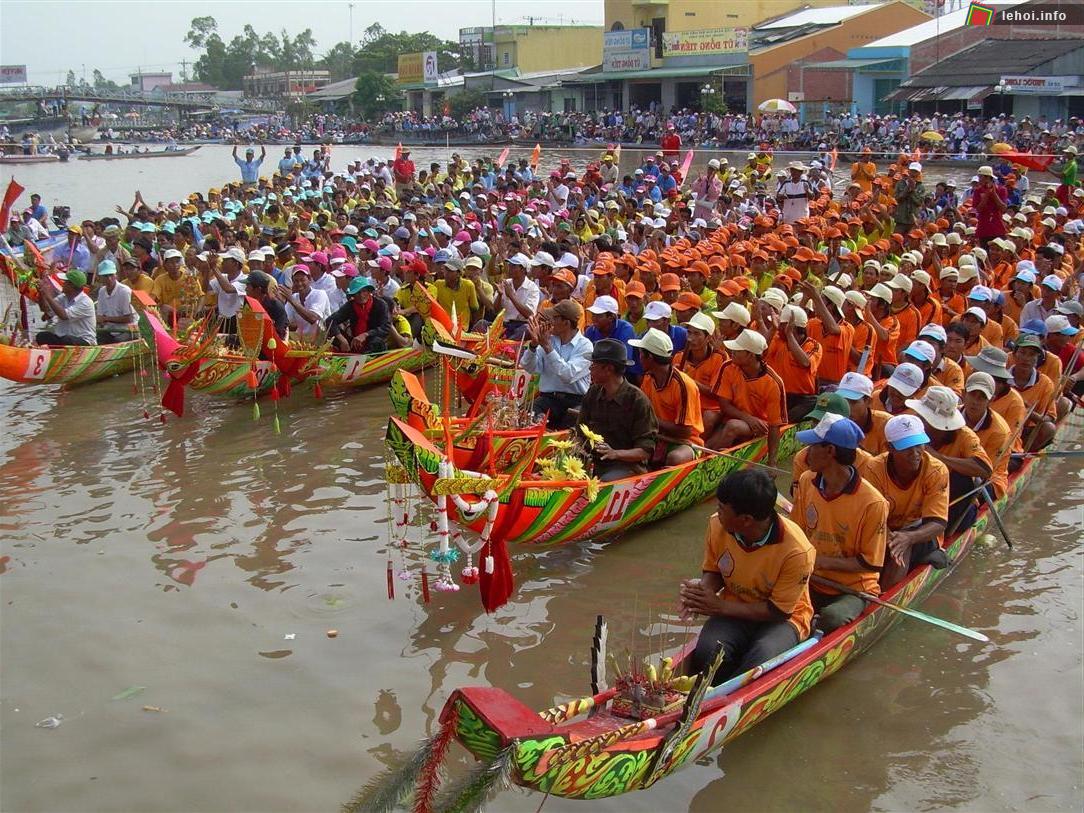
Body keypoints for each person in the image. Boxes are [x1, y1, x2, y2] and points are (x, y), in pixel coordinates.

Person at [679, 469, 816, 685]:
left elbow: (778, 611)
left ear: (746, 520)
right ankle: (714, 688)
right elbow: (714, 571)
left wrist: (719, 607)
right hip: (735, 607)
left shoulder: (797, 551)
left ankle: (726, 694)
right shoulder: (717, 524)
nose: (717, 512)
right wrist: (701, 593)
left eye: (722, 508)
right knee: (707, 652)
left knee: (761, 658)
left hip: (784, 619)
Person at [792, 414, 888, 632]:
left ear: (830, 451)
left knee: (832, 618)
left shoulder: (873, 502)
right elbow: (796, 533)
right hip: (811, 578)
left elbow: (869, 563)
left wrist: (818, 561)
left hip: (852, 588)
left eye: (813, 446)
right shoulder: (807, 481)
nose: (806, 453)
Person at [861, 414, 950, 589]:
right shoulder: (873, 468)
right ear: (890, 448)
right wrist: (891, 537)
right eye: (907, 447)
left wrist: (907, 538)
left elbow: (938, 523)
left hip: (920, 531)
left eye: (919, 445)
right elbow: (871, 517)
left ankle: (885, 596)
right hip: (882, 528)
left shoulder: (936, 471)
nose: (915, 453)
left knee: (901, 549)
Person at [906, 385, 992, 533]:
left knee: (961, 479)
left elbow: (985, 469)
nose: (921, 421)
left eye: (925, 419)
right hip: (914, 493)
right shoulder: (910, 426)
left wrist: (939, 458)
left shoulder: (964, 436)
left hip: (949, 500)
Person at [577, 338, 658, 482]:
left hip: (626, 465)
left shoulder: (638, 401)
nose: (590, 369)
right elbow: (580, 431)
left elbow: (645, 451)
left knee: (605, 483)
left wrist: (615, 453)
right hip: (593, 460)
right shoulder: (593, 392)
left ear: (608, 369)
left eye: (594, 365)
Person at [709, 328, 787, 466]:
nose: (732, 352)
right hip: (735, 417)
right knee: (710, 437)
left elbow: (775, 426)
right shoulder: (728, 367)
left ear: (751, 355)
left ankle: (710, 463)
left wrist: (772, 462)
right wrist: (747, 418)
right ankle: (704, 457)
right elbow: (724, 405)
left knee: (733, 426)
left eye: (737, 350)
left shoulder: (774, 383)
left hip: (759, 426)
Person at [631, 327, 703, 466]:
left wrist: (652, 420)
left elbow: (685, 432)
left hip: (685, 442)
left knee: (675, 458)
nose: (639, 357)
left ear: (650, 357)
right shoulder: (648, 378)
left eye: (641, 353)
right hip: (656, 435)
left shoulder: (683, 385)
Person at [519, 300, 593, 429]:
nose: (550, 322)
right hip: (548, 398)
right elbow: (529, 367)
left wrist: (548, 348)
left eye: (555, 318)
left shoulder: (585, 345)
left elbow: (568, 375)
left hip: (575, 401)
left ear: (566, 323)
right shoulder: (549, 339)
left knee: (569, 431)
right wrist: (533, 345)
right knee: (524, 418)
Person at [325, 276, 389, 352]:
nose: (361, 295)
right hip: (354, 341)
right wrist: (342, 340)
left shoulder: (380, 304)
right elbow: (330, 321)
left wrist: (365, 335)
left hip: (374, 342)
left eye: (364, 291)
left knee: (376, 341)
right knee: (333, 335)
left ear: (369, 292)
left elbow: (385, 327)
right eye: (358, 293)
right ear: (353, 295)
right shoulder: (350, 305)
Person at [35, 269, 97, 346]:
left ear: (72, 285)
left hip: (83, 340)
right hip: (63, 338)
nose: (63, 284)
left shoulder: (86, 302)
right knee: (42, 336)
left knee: (67, 340)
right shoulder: (63, 297)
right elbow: (45, 310)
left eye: (65, 282)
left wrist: (47, 295)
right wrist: (42, 294)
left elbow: (64, 316)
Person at [278, 265, 332, 343]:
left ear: (309, 279)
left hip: (320, 342)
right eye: (296, 281)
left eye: (302, 280)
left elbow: (313, 318)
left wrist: (291, 300)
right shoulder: (294, 297)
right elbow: (287, 322)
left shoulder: (320, 294)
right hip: (301, 342)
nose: (299, 283)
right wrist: (279, 303)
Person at [93, 260, 136, 344]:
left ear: (116, 275)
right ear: (100, 277)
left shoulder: (124, 291)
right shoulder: (102, 291)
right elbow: (100, 316)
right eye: (105, 276)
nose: (109, 279)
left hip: (128, 329)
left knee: (117, 341)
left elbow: (129, 318)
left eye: (111, 275)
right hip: (110, 329)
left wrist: (105, 319)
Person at [242, 271, 288, 339]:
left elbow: (280, 333)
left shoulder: (277, 307)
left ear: (258, 289)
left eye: (248, 287)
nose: (246, 289)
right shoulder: (247, 303)